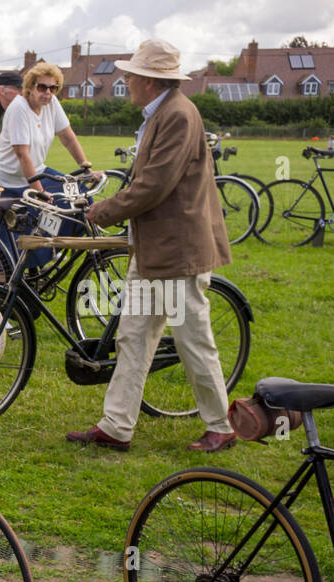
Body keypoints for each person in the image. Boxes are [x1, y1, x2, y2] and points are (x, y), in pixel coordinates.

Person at [69, 39, 235, 453]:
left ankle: (221, 425)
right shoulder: (163, 112)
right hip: (155, 250)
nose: (124, 81)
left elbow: (155, 185)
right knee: (134, 336)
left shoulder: (177, 114)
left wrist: (102, 210)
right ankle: (117, 425)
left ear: (149, 80)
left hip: (177, 252)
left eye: (130, 75)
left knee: (192, 338)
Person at [0, 61, 93, 266]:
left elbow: (67, 136)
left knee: (82, 204)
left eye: (53, 88)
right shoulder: (19, 108)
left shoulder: (51, 103)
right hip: (7, 181)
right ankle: (10, 282)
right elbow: (22, 154)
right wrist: (39, 192)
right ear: (30, 87)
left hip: (37, 171)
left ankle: (50, 253)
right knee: (7, 249)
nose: (48, 93)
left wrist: (86, 167)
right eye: (42, 87)